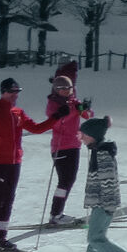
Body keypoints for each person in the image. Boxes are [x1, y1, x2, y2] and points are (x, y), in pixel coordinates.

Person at [0, 77, 55, 252]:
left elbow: (36, 128)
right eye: (12, 92)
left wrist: (56, 117)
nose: (15, 95)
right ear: (3, 92)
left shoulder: (18, 112)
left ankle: (0, 236)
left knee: (8, 199)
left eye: (17, 92)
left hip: (14, 162)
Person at [68, 114, 127, 252]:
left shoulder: (102, 154)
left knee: (95, 239)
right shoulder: (97, 151)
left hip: (104, 203)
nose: (81, 137)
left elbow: (108, 181)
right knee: (95, 239)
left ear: (93, 135)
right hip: (100, 203)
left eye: (83, 134)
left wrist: (108, 205)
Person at [44, 71, 85, 225]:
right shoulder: (54, 104)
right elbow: (55, 121)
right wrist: (68, 112)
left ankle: (58, 212)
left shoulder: (74, 102)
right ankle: (56, 213)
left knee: (69, 180)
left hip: (74, 145)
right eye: (63, 89)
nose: (67, 92)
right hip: (61, 146)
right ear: (56, 90)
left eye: (69, 89)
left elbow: (87, 115)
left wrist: (84, 108)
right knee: (65, 180)